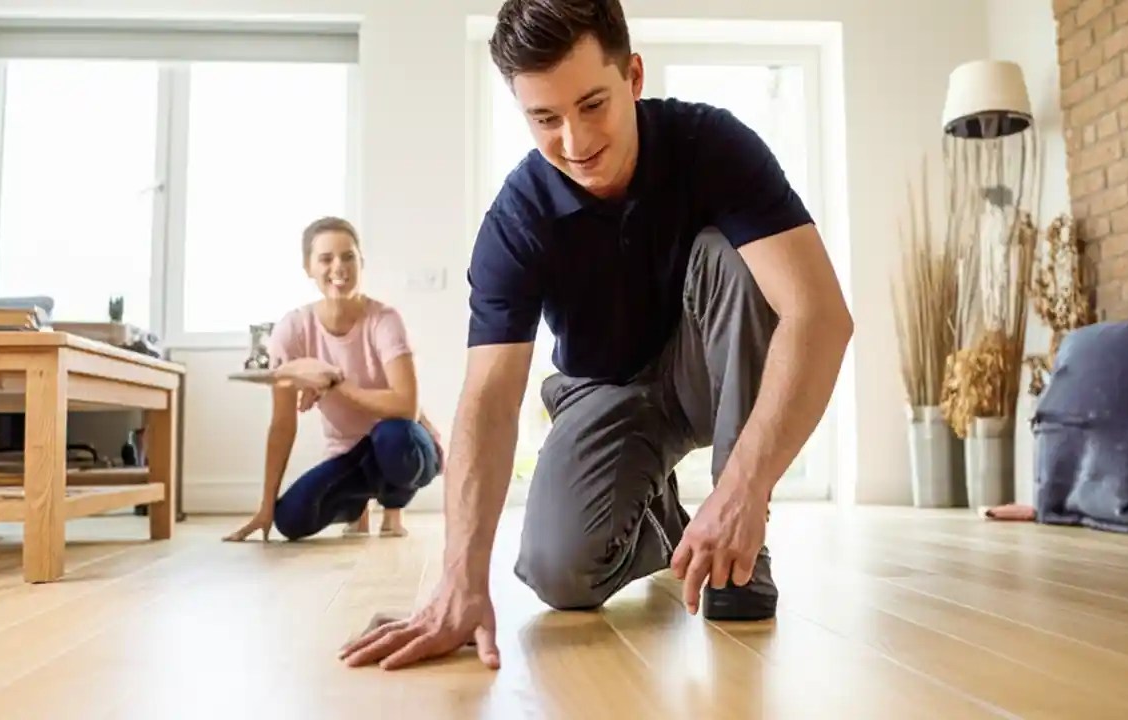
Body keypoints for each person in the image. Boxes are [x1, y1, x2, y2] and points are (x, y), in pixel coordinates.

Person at [339, 0, 852, 671]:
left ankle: (736, 548)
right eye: (545, 119)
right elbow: (489, 399)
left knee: (740, 258)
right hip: (605, 389)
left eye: (592, 105)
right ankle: (670, 519)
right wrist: (459, 580)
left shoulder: (713, 146)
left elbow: (820, 315)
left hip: (711, 366)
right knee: (559, 575)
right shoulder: (516, 220)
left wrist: (743, 492)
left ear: (633, 76)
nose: (576, 143)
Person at [224, 216, 444, 543]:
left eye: (348, 256)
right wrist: (266, 506)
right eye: (326, 259)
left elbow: (406, 407)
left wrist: (333, 382)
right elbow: (283, 424)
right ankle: (357, 507)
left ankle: (393, 507)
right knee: (291, 520)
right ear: (308, 267)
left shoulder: (384, 320)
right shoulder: (292, 330)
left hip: (406, 443)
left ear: (361, 262)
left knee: (393, 437)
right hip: (349, 453)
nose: (338, 267)